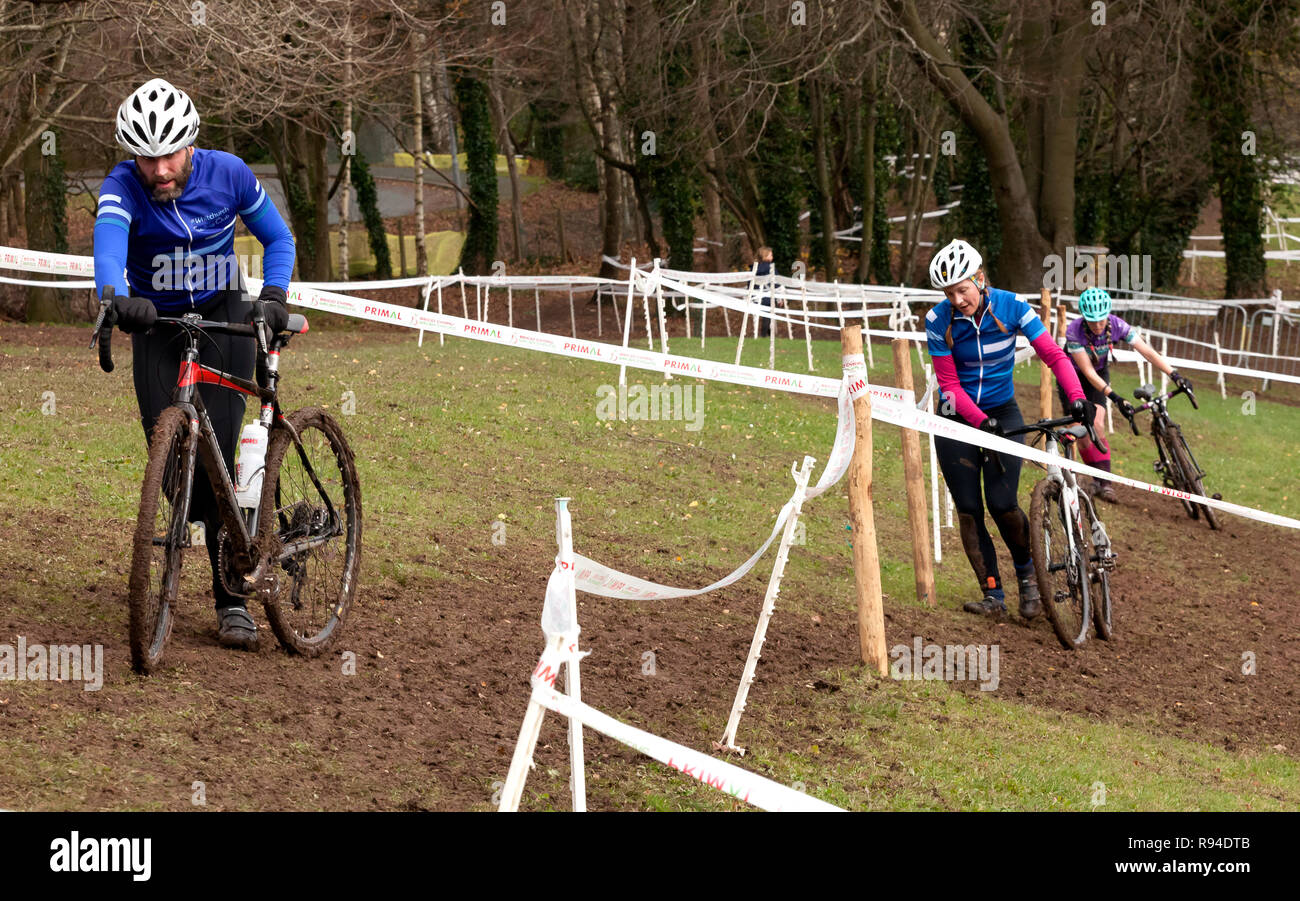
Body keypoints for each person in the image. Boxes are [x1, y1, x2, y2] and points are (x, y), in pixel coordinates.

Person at [93, 78, 296, 650]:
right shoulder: (121, 185)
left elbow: (278, 238)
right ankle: (208, 527)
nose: (159, 170)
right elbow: (107, 242)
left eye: (170, 156)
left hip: (221, 314)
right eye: (147, 158)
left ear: (192, 144)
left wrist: (274, 295)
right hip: (155, 322)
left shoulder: (228, 172)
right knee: (173, 457)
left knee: (220, 459)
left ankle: (231, 597)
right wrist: (114, 293)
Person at [925, 239, 1094, 619]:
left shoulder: (1014, 306)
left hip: (1003, 409)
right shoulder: (937, 321)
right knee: (969, 508)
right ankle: (992, 595)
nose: (956, 299)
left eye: (962, 290)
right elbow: (949, 385)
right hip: (957, 415)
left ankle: (1028, 578)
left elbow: (1052, 353)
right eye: (949, 293)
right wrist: (980, 421)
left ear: (980, 279)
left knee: (1002, 503)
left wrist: (1077, 396)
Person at [1059, 286, 1192, 502]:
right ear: (1084, 318)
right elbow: (1087, 371)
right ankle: (1096, 478)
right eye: (1092, 321)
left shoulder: (1118, 325)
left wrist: (1175, 375)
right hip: (1073, 377)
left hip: (1098, 375)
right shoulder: (1074, 331)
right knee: (1083, 433)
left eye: (1101, 320)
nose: (1098, 325)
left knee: (1098, 424)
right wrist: (1116, 397)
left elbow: (1147, 351)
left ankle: (1106, 483)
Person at [754, 246, 781, 338]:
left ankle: (768, 335)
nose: (772, 257)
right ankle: (763, 335)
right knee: (768, 315)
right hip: (768, 297)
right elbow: (777, 284)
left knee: (767, 316)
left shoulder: (754, 267)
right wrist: (779, 298)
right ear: (765, 256)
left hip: (756, 297)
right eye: (771, 255)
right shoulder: (771, 268)